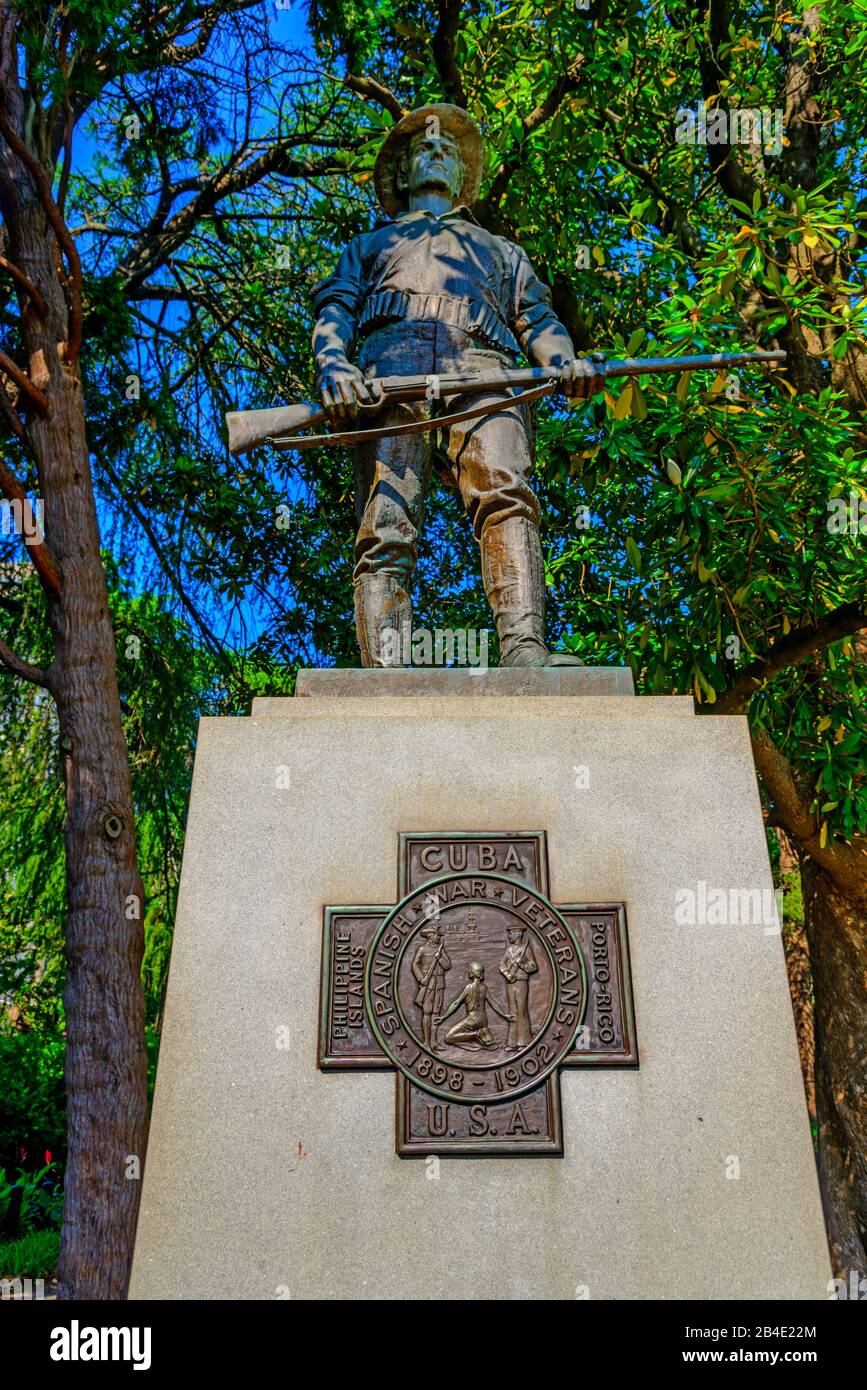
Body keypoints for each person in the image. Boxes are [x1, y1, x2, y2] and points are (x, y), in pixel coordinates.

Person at [310, 103, 606, 667]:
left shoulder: (502, 252)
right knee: (385, 524)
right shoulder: (367, 247)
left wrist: (565, 361)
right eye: (426, 147)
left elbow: (539, 324)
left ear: (463, 175)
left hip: (487, 373)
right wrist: (334, 366)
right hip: (388, 377)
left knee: (507, 498)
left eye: (449, 150)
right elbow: (335, 311)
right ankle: (386, 668)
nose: (438, 153)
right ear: (400, 174)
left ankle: (526, 650)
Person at [436, 962, 512, 1050]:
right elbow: (493, 1003)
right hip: (483, 1021)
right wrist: (504, 1015)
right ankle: (484, 1034)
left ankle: (477, 1034)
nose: (468, 971)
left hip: (472, 1019)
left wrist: (443, 1017)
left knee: (448, 1038)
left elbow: (456, 1003)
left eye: (470, 969)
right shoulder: (484, 987)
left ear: (473, 973)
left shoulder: (469, 987)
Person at [411, 922, 451, 1050]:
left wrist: (439, 958)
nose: (438, 937)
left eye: (439, 935)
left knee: (436, 1013)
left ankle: (434, 1042)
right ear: (430, 936)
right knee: (427, 1013)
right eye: (436, 935)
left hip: (439, 984)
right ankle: (426, 1042)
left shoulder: (440, 950)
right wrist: (421, 979)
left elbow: (447, 966)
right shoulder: (422, 950)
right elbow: (415, 965)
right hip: (428, 984)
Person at [499, 926, 538, 1049]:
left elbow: (533, 967)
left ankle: (523, 1042)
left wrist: (522, 964)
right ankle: (511, 1043)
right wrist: (507, 974)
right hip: (510, 983)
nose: (509, 936)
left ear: (518, 934)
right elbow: (501, 964)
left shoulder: (526, 950)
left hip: (521, 981)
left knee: (522, 1011)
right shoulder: (509, 950)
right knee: (512, 1012)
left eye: (511, 933)